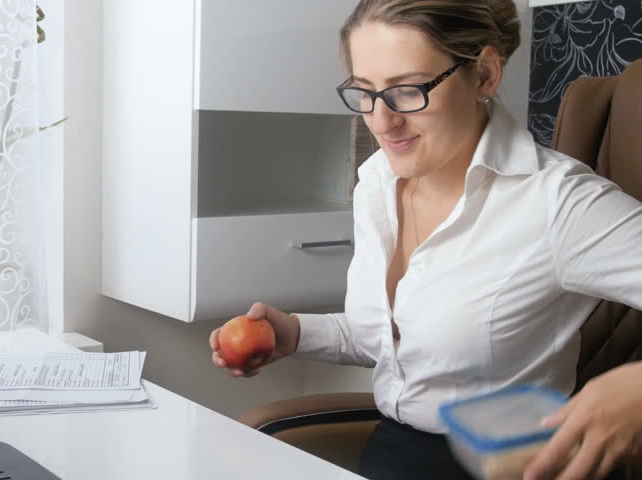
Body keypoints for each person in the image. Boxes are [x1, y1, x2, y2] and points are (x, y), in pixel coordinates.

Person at [208, 1, 642, 479]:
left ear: (484, 75)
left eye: (407, 90)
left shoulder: (557, 202)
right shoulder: (376, 182)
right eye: (366, 92)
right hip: (390, 451)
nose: (380, 121)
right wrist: (295, 333)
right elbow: (404, 336)